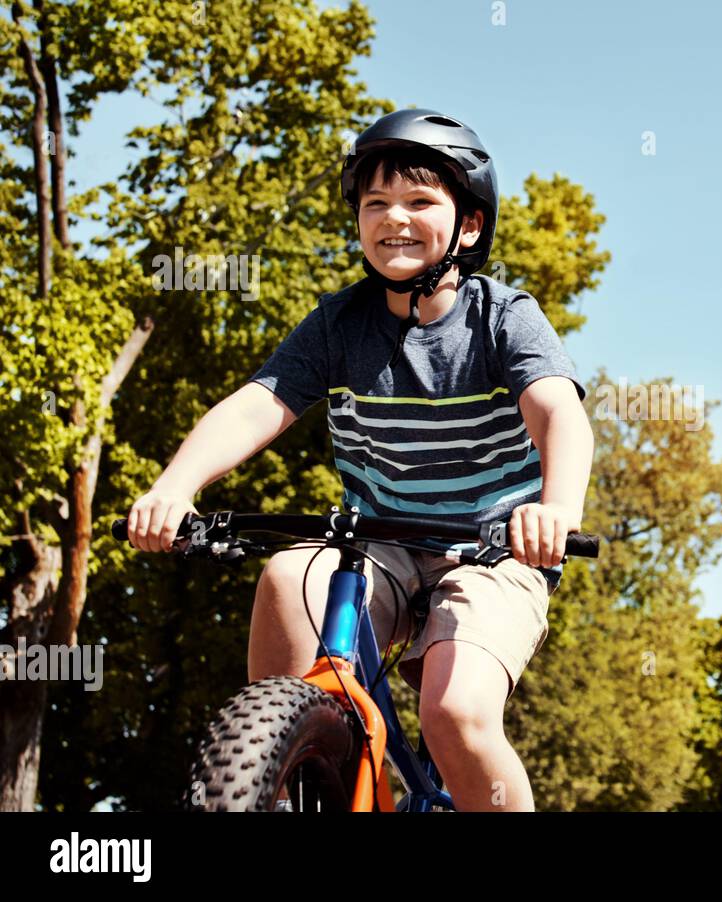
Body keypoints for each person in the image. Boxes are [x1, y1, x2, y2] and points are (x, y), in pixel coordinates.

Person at [125, 108, 594, 811]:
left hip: (494, 552)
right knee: (287, 576)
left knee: (455, 714)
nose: (392, 218)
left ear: (468, 226)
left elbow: (559, 413)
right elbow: (256, 405)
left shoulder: (503, 317)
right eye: (374, 203)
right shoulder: (339, 324)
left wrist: (555, 510)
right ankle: (274, 773)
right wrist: (176, 485)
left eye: (417, 201)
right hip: (378, 544)